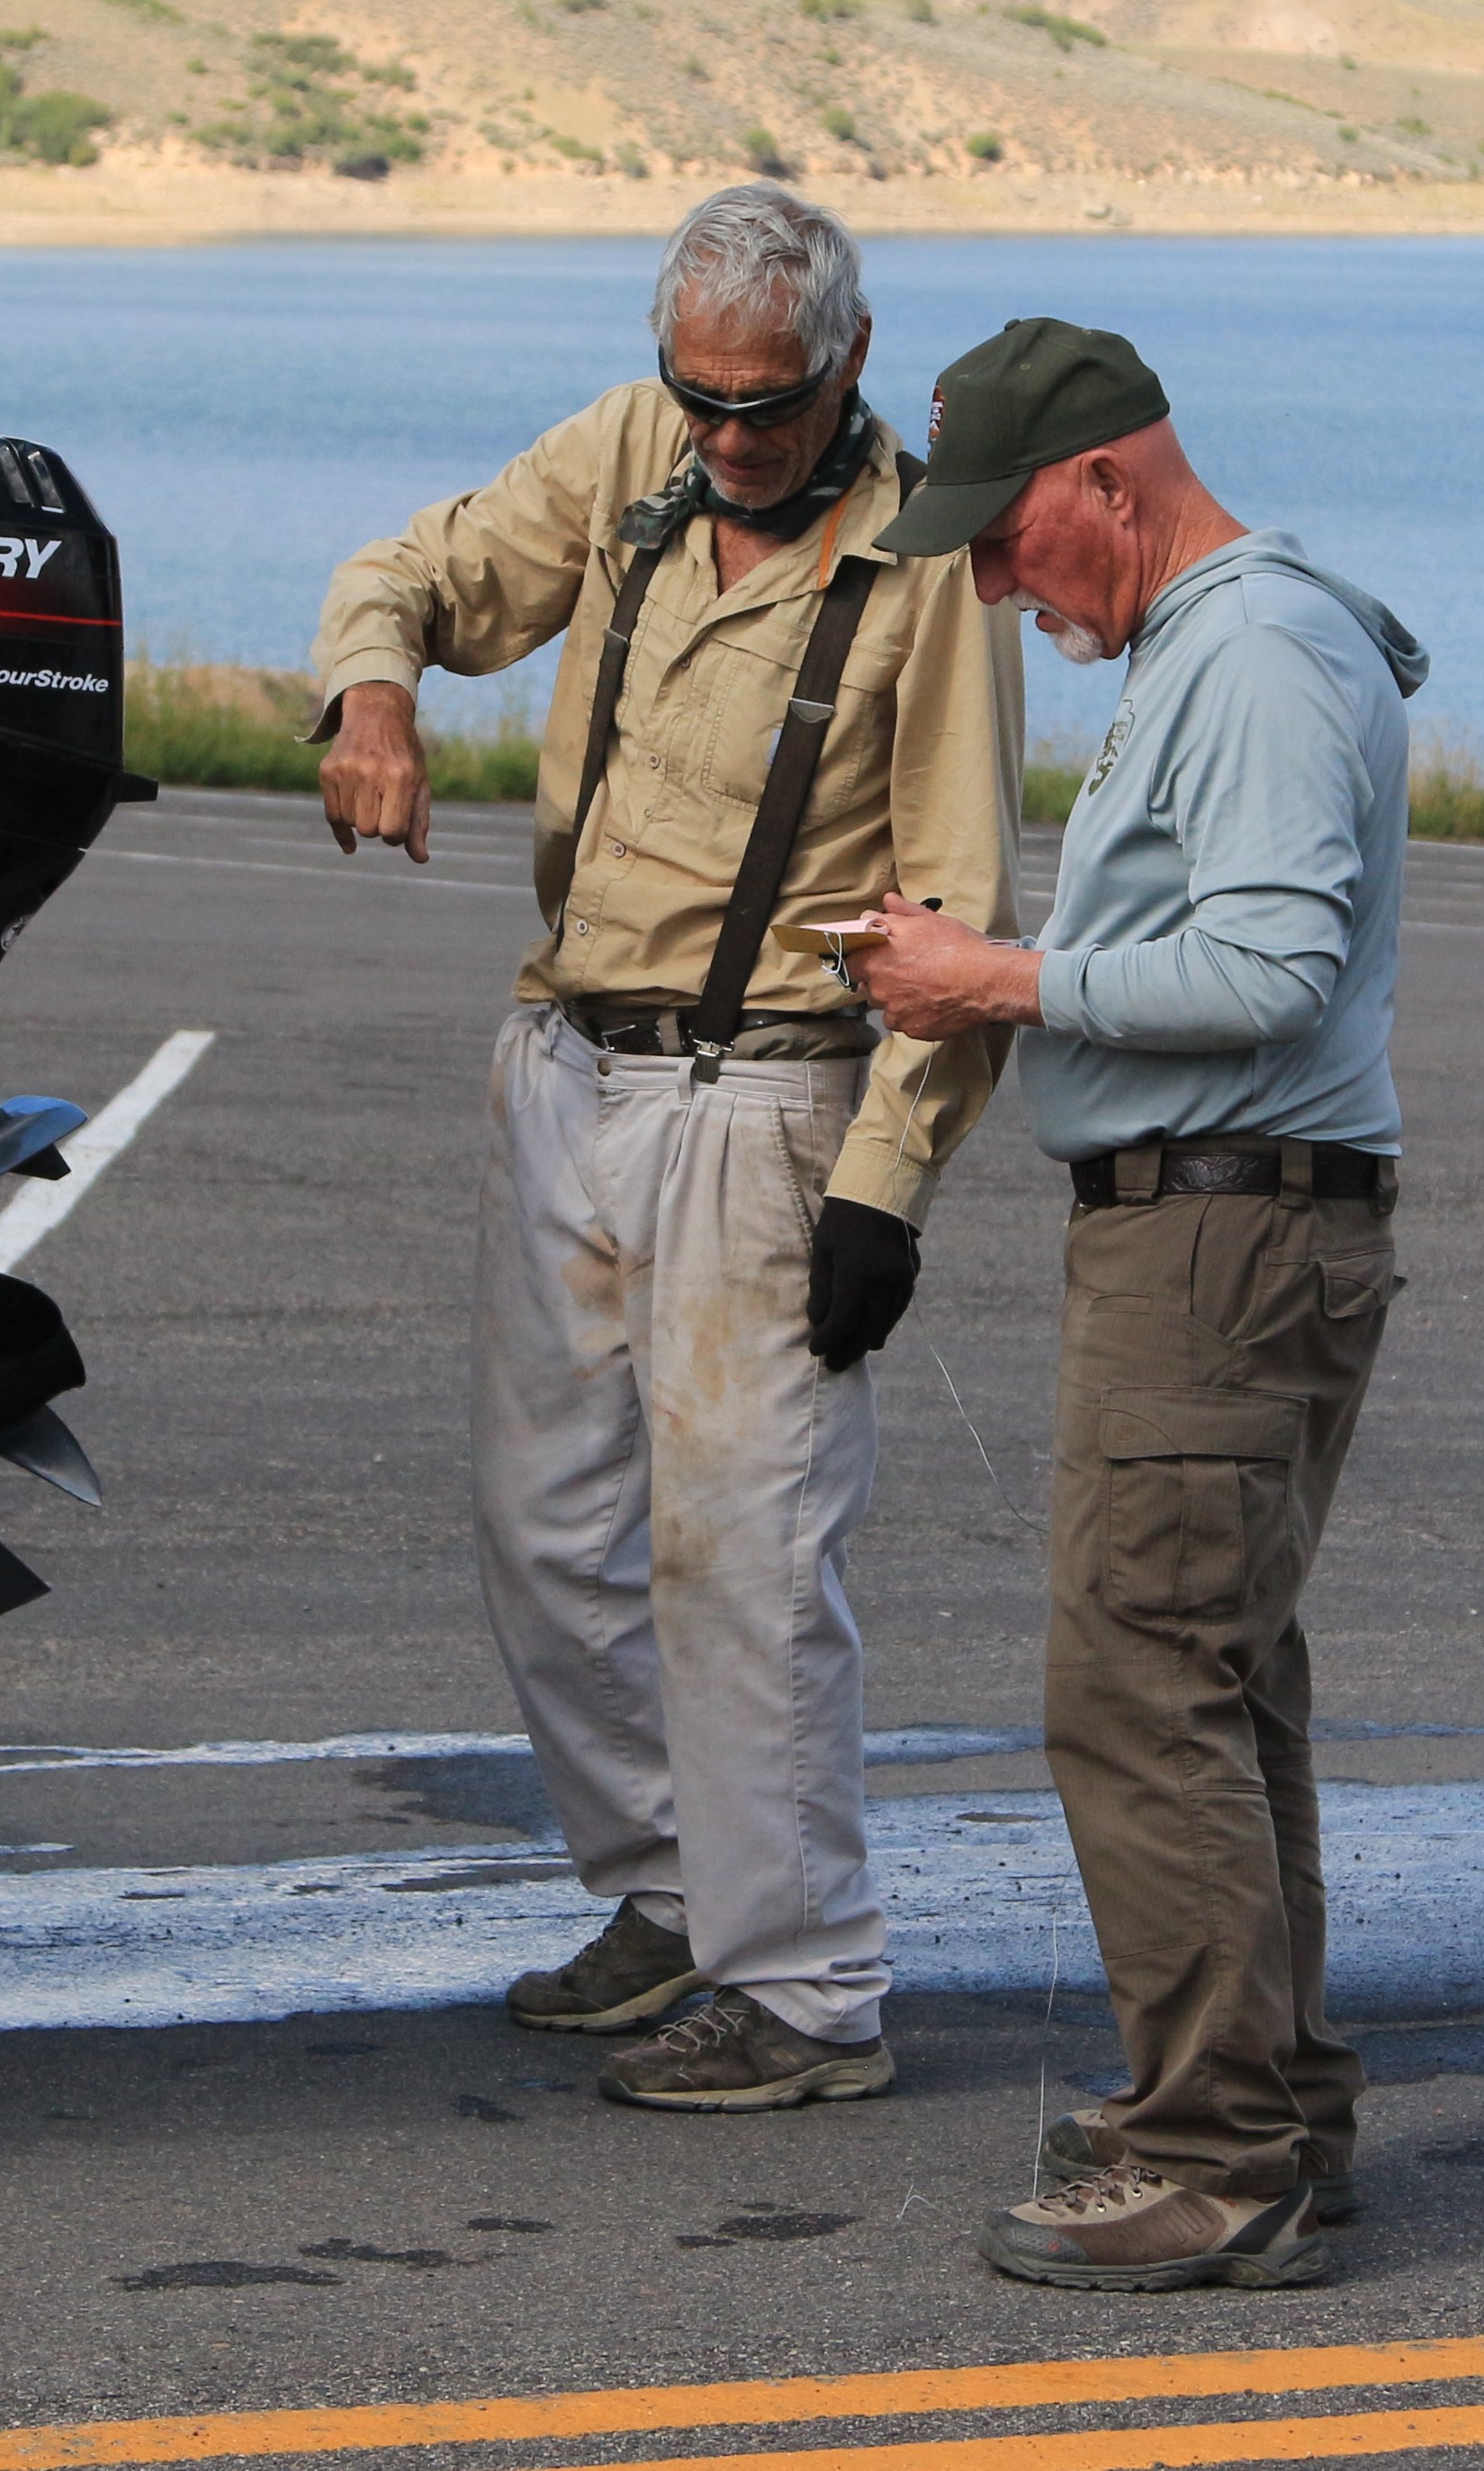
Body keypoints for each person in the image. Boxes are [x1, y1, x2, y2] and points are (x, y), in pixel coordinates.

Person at [310, 185, 1022, 2110]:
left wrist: (887, 1180)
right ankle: (669, 1889)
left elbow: (959, 906)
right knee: (544, 1530)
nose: (729, 437)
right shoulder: (635, 454)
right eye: (700, 396)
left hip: (763, 1098)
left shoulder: (921, 564)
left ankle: (806, 1988)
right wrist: (373, 692)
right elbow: (415, 571)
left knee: (745, 1554)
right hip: (564, 1060)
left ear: (848, 360)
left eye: (765, 405)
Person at [857, 317, 1426, 2287]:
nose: (993, 588)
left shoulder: (1249, 653)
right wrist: (999, 967)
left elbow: (1269, 971)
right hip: (1228, 1223)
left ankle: (1215, 2157)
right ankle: (1272, 2108)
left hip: (1218, 1233)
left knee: (1138, 1685)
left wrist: (993, 982)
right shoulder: (1217, 641)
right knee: (1217, 1676)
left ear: (1110, 478)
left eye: (1005, 540)